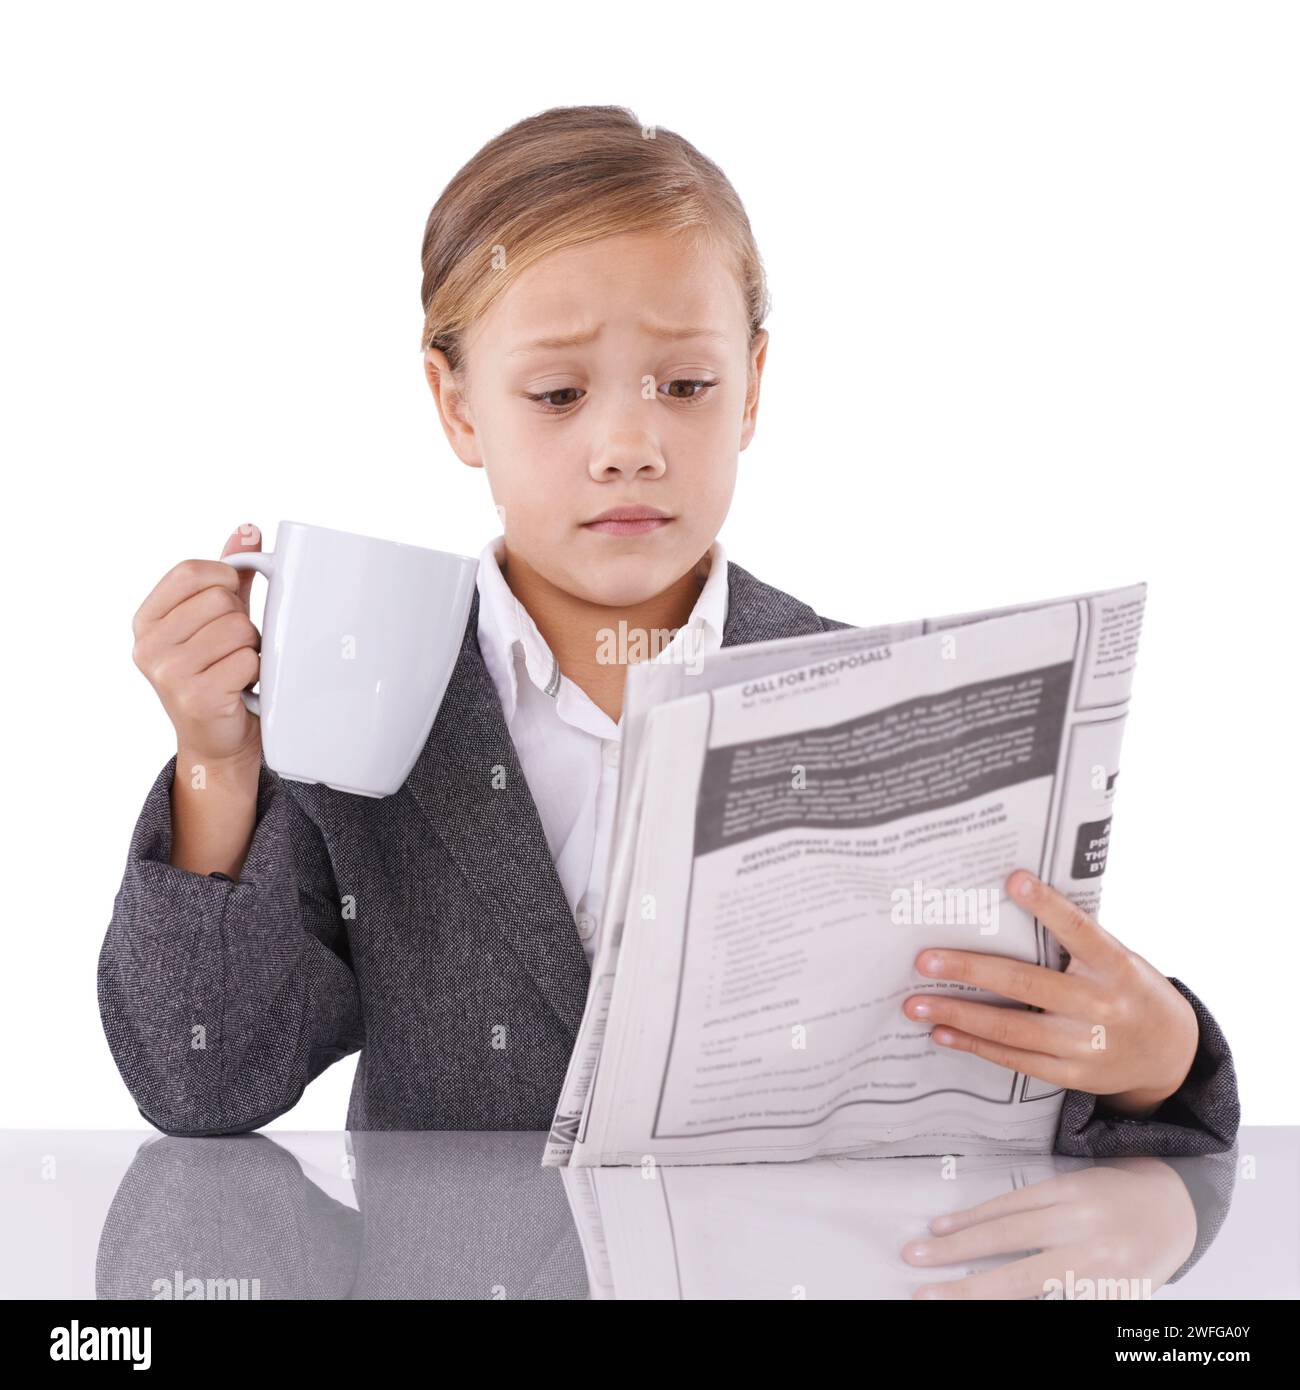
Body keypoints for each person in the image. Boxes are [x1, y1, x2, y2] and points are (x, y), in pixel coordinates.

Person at [99, 105, 1239, 1155]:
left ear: (749, 390)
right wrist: (216, 761)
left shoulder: (880, 703)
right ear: (457, 406)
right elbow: (203, 1083)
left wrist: (1163, 1058)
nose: (628, 444)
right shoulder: (361, 712)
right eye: (557, 395)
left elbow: (1013, 1071)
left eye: (685, 383)